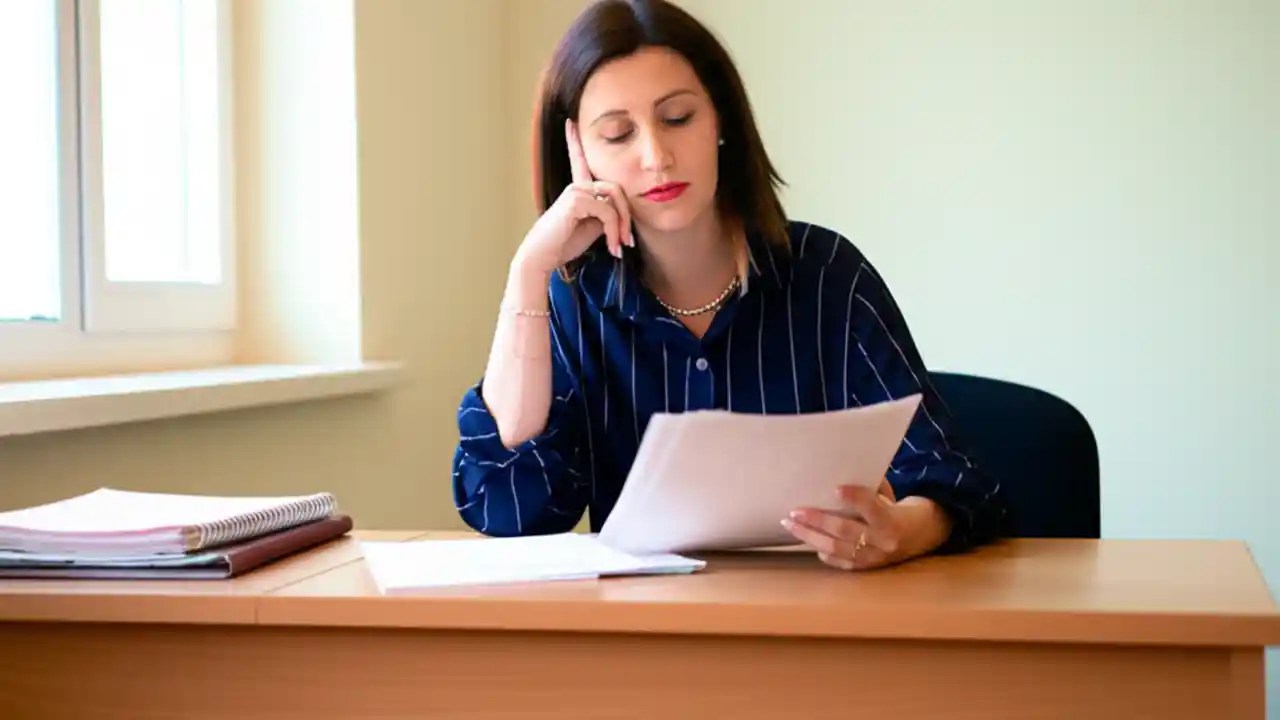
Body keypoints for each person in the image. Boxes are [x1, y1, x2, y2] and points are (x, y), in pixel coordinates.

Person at [452, 0, 1005, 571]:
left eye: (678, 119)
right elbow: (511, 509)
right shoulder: (573, 301)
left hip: (819, 629)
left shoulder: (827, 275)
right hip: (645, 637)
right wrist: (528, 274)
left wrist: (901, 532)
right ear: (581, 153)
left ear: (721, 122)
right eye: (618, 134)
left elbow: (956, 482)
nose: (656, 157)